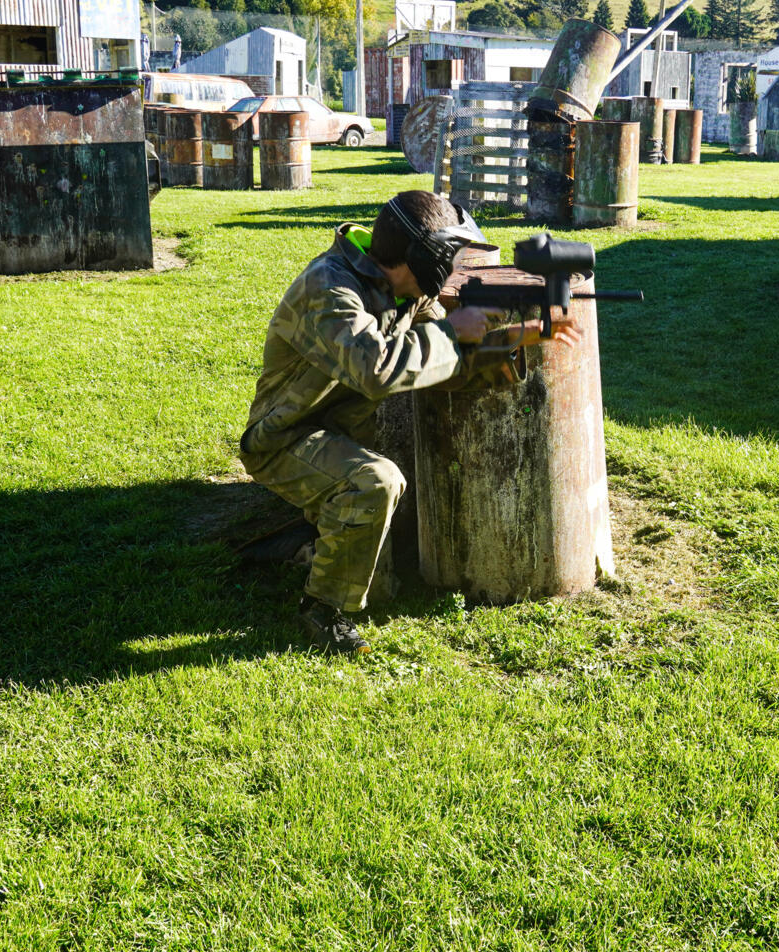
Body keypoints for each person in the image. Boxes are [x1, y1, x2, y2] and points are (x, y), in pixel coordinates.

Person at [239, 191, 582, 654]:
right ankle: (321, 613)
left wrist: (512, 339)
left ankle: (310, 544)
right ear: (422, 257)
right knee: (376, 482)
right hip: (283, 439)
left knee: (377, 590)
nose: (451, 270)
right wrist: (449, 331)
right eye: (448, 258)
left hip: (339, 438)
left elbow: (446, 365)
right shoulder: (329, 288)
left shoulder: (407, 294)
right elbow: (376, 370)